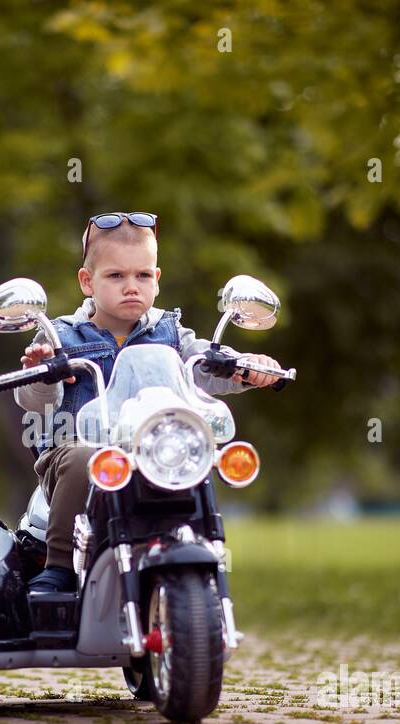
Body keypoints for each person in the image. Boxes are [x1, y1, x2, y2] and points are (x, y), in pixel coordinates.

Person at [14, 211, 282, 593]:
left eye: (142, 276)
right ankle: (58, 567)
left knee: (197, 452)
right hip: (79, 459)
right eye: (116, 276)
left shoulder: (170, 332)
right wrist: (41, 372)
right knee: (80, 457)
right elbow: (34, 400)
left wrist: (246, 367)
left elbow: (204, 362)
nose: (131, 287)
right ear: (87, 282)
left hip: (156, 454)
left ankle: (200, 553)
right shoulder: (60, 337)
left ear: (156, 279)